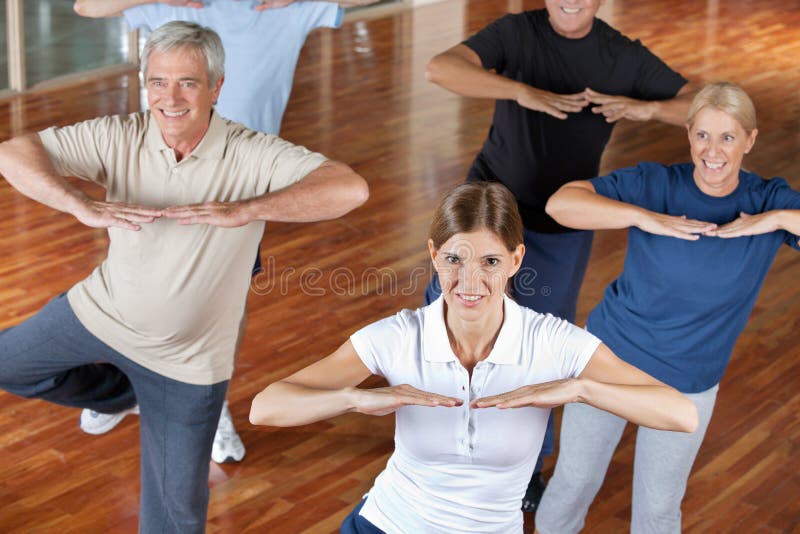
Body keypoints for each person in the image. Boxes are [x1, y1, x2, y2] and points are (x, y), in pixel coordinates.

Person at [0, 21, 368, 533]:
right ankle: (121, 395)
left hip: (189, 364)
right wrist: (78, 203)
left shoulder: (251, 152)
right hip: (99, 314)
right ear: (144, 83)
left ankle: (142, 395)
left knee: (175, 516)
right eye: (158, 82)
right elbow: (13, 151)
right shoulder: (119, 135)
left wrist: (249, 209)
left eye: (188, 83)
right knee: (8, 363)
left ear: (216, 87)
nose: (170, 97)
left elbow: (349, 189)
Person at [249, 181, 698, 533]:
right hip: (386, 525)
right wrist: (355, 398)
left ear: (516, 259)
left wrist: (580, 389)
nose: (468, 282)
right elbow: (265, 407)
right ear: (433, 254)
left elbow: (681, 414)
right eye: (454, 259)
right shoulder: (398, 337)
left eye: (488, 262)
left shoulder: (551, 343)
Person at [73, 0, 379, 463]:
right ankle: (125, 389)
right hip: (153, 179)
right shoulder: (167, 6)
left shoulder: (285, 10)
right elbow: (87, 7)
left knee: (221, 305)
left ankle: (209, 407)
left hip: (235, 195)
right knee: (131, 292)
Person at [423, 0, 695, 509]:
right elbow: (440, 67)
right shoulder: (517, 34)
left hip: (562, 223)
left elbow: (703, 103)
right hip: (488, 206)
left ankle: (527, 467)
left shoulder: (620, 56)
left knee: (537, 346)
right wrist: (522, 92)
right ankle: (437, 437)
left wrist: (647, 108)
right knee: (446, 321)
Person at [535, 82, 800, 533]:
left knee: (659, 507)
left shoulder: (769, 200)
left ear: (750, 141)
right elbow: (561, 204)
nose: (712, 151)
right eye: (702, 135)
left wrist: (772, 221)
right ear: (689, 134)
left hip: (688, 380)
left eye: (728, 137)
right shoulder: (655, 184)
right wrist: (643, 215)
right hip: (610, 359)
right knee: (574, 480)